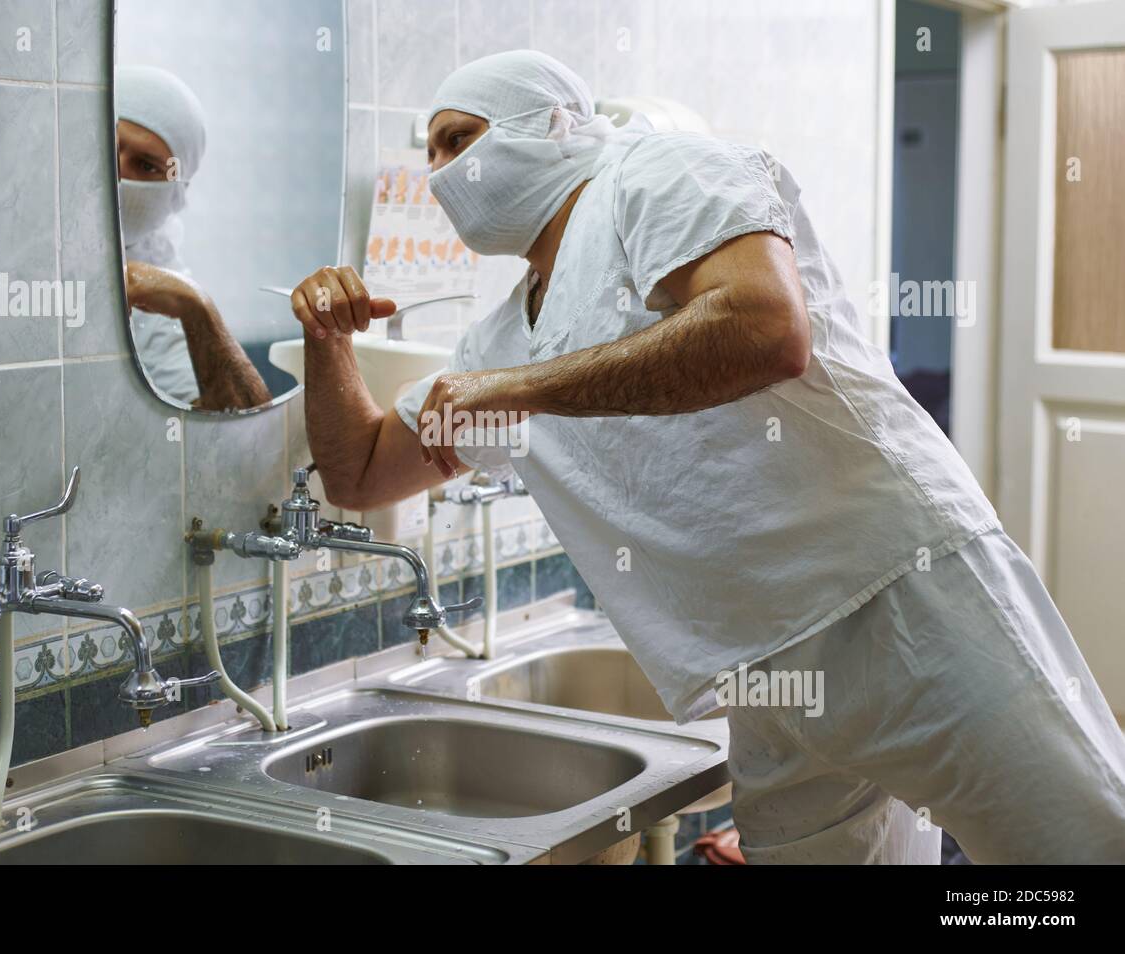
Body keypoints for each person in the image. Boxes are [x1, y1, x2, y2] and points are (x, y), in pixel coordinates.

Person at [289, 51, 1125, 863]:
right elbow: (362, 472)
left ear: (552, 124)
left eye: (459, 139)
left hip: (897, 601)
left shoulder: (657, 174)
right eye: (430, 152)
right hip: (766, 679)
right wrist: (327, 339)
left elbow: (764, 328)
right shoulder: (503, 338)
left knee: (1083, 847)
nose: (440, 174)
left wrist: (520, 391)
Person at [116, 64, 270, 411]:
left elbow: (236, 424)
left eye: (146, 165)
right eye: (109, 150)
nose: (117, 174)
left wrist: (198, 310)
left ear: (175, 193)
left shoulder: (160, 297)